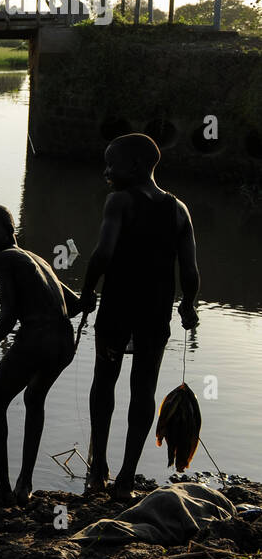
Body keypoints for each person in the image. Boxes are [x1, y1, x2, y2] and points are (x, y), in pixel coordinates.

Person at [79, 133, 200, 498]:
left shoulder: (119, 202)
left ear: (133, 166)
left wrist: (87, 292)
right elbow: (190, 270)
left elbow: (102, 253)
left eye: (110, 163)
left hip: (118, 309)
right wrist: (189, 303)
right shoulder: (179, 210)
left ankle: (99, 466)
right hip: (154, 313)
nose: (106, 172)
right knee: (143, 389)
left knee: (105, 382)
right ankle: (127, 478)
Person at [0, 205, 83, 507]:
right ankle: (24, 484)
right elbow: (78, 305)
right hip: (64, 343)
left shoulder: (5, 259)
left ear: (10, 229)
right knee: (34, 398)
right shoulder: (39, 259)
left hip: (37, 339)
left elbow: (8, 317)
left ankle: (3, 488)